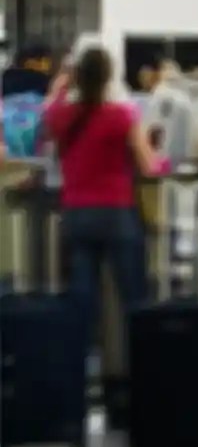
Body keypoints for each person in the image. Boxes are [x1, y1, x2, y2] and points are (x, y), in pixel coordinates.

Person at [43, 47, 156, 359]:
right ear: (109, 77)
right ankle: (143, 364)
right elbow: (148, 165)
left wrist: (60, 86)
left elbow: (47, 114)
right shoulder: (121, 115)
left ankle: (77, 369)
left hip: (76, 215)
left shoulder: (60, 114)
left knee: (82, 300)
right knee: (133, 295)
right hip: (117, 214)